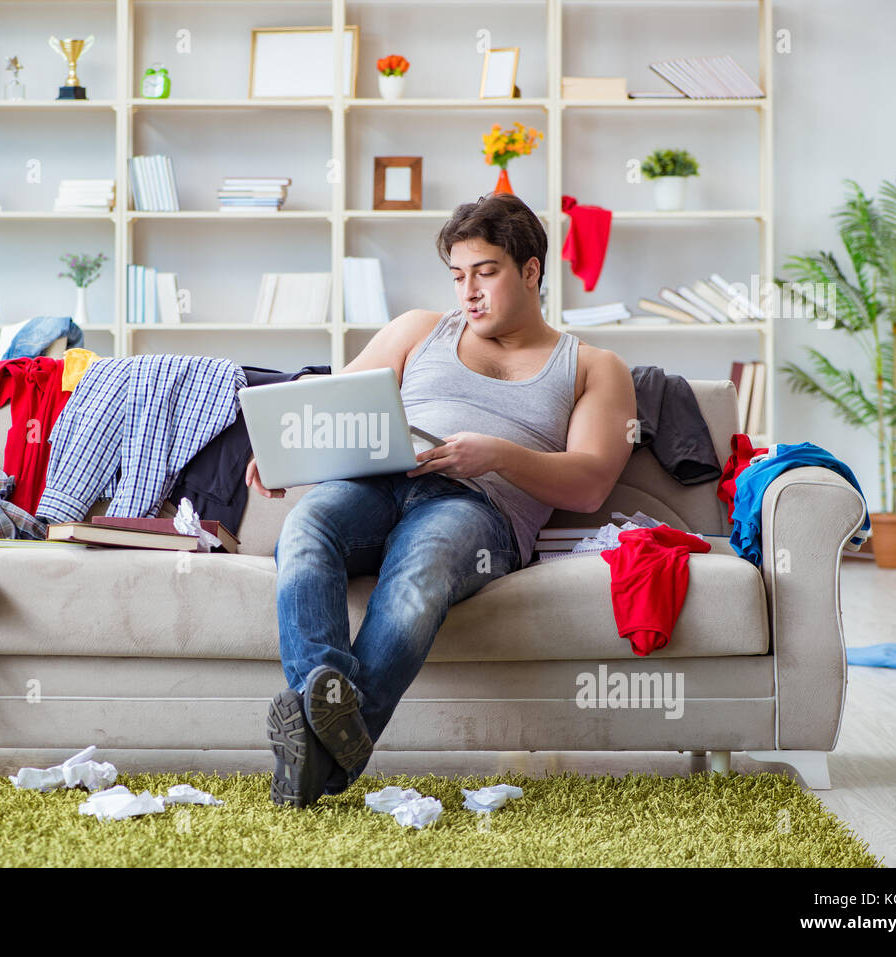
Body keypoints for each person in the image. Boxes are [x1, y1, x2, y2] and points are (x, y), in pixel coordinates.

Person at [245, 192, 636, 806]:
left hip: (478, 508)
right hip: (376, 483)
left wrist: (498, 455)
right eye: (459, 276)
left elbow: (589, 483)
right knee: (306, 526)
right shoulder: (419, 329)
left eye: (486, 272)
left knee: (420, 569)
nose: (469, 292)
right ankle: (324, 699)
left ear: (531, 270)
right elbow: (324, 408)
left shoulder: (592, 365)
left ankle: (318, 755)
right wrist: (280, 451)